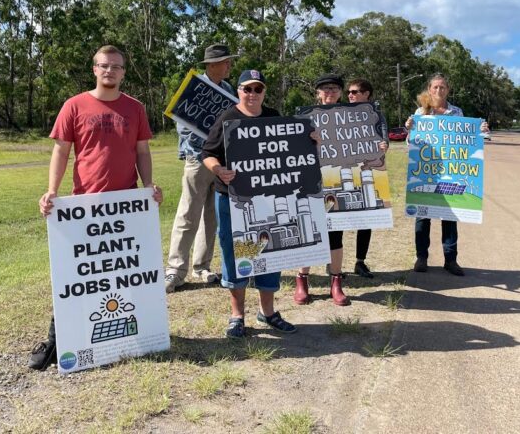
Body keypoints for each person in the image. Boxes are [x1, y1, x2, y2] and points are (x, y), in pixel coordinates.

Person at [29, 44, 163, 370]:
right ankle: (56, 340)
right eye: (104, 66)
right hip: (84, 205)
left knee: (126, 273)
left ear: (123, 72)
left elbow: (142, 151)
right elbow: (61, 151)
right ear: (94, 69)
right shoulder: (74, 106)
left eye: (116, 67)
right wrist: (51, 191)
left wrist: (147, 187)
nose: (110, 71)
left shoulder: (135, 108)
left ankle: (131, 335)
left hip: (126, 205)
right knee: (77, 275)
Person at [201, 69, 297, 338]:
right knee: (236, 252)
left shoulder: (274, 117)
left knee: (270, 250)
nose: (252, 94)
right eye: (247, 89)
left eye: (258, 89)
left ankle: (268, 312)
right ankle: (237, 315)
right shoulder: (227, 118)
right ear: (238, 91)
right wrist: (219, 170)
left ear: (264, 92)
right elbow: (207, 153)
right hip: (232, 198)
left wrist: (310, 139)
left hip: (268, 199)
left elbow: (293, 150)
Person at [294, 74, 389, 306]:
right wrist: (307, 139)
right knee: (311, 231)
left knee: (336, 234)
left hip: (338, 182)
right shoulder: (305, 116)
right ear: (317, 92)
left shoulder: (355, 117)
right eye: (325, 88)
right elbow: (293, 149)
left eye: (335, 88)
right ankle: (302, 280)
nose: (330, 92)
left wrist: (379, 145)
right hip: (311, 181)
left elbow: (368, 144)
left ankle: (336, 283)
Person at [164, 43, 237, 293]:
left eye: (229, 61)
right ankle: (175, 270)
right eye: (226, 62)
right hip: (197, 160)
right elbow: (184, 127)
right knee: (188, 214)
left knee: (211, 216)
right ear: (212, 65)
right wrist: (207, 152)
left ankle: (202, 266)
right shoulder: (195, 88)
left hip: (221, 163)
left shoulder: (228, 90)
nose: (229, 66)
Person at [405, 73, 488, 277]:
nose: (438, 91)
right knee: (423, 216)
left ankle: (450, 260)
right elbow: (411, 143)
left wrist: (481, 131)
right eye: (435, 87)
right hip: (426, 170)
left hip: (451, 171)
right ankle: (421, 257)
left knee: (450, 217)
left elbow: (467, 140)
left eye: (442, 87)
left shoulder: (457, 112)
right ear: (429, 89)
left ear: (448, 90)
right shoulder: (421, 112)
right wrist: (409, 130)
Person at [346, 78, 389, 279]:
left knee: (366, 218)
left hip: (368, 171)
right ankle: (333, 264)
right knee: (337, 218)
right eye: (349, 92)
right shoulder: (339, 114)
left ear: (367, 94)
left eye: (354, 92)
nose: (350, 95)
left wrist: (384, 145)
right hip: (343, 171)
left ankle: (360, 262)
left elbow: (384, 139)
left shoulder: (377, 116)